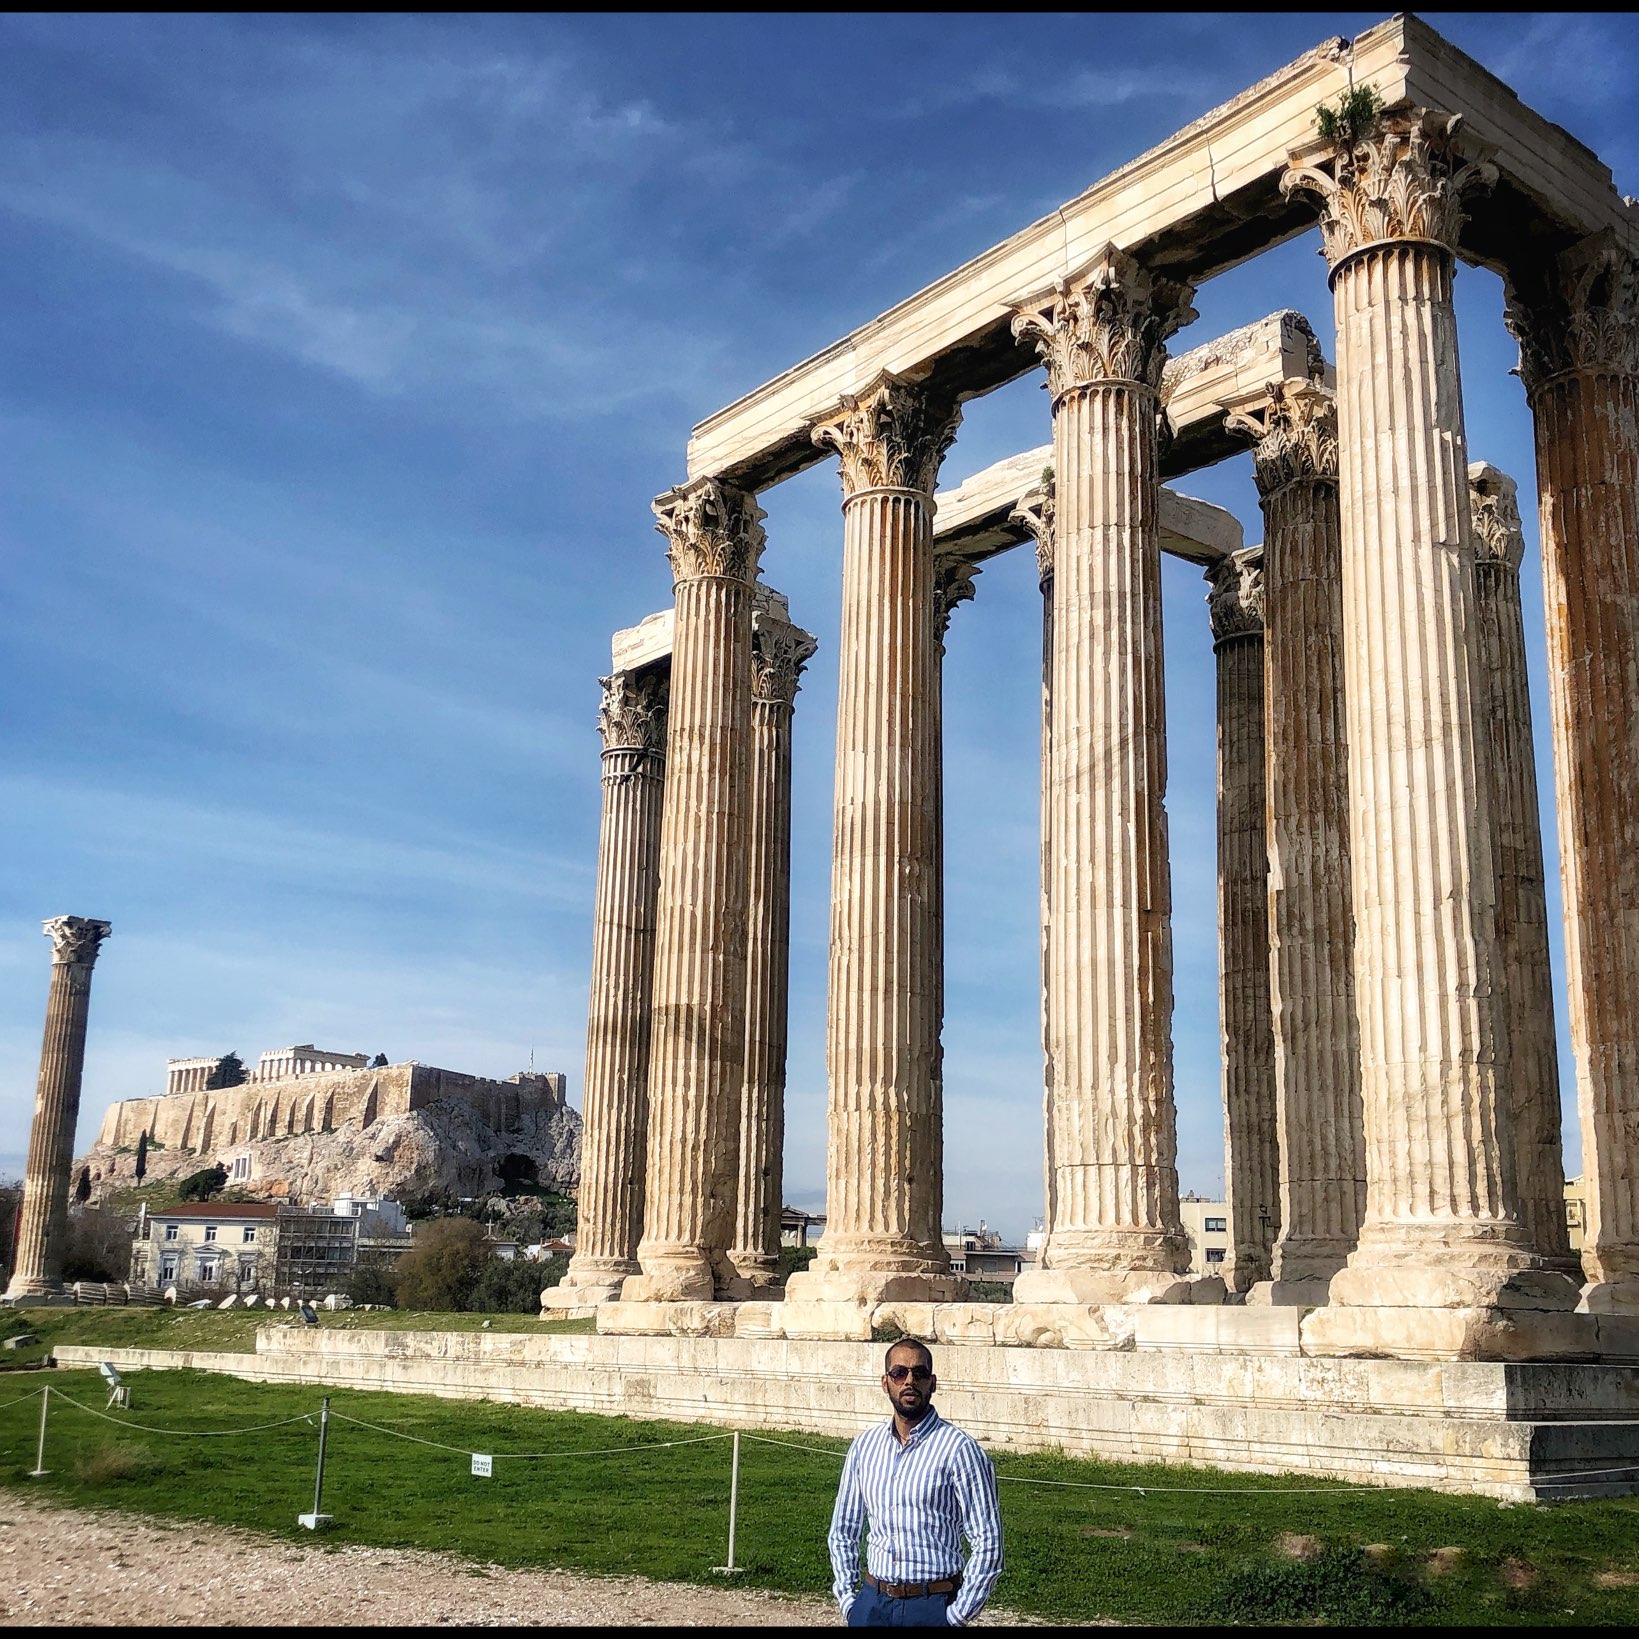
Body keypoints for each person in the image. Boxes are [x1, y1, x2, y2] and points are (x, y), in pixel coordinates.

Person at [827, 1336, 1003, 1627]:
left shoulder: (960, 1449)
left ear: (932, 1383)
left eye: (919, 1374)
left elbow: (988, 1541)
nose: (909, 1380)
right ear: (886, 1382)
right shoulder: (864, 1447)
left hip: (932, 1605)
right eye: (899, 1373)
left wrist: (956, 1617)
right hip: (873, 1604)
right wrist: (849, 1601)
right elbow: (843, 1531)